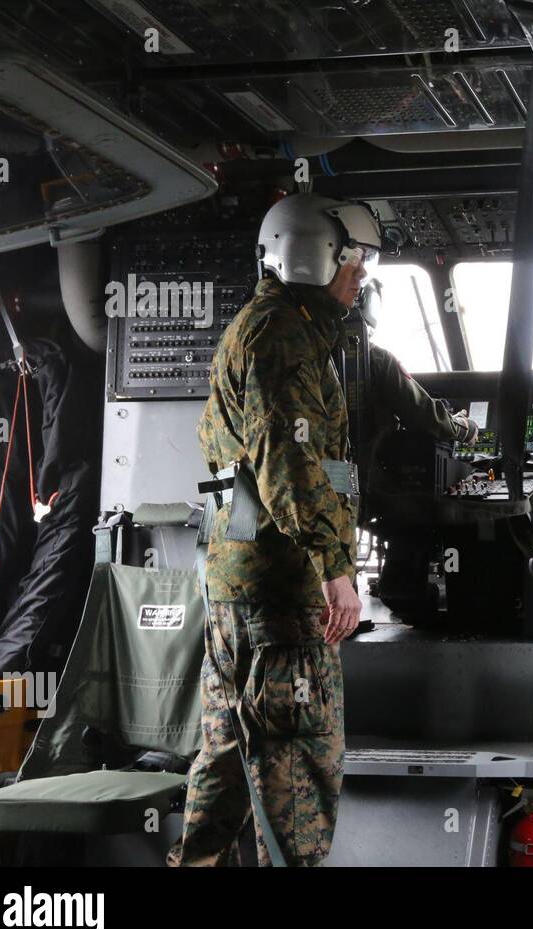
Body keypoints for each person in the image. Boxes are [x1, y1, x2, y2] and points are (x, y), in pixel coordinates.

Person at [168, 193, 476, 867]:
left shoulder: (278, 328)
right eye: (354, 261)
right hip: (284, 594)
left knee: (227, 755)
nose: (362, 275)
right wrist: (336, 570)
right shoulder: (283, 338)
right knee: (298, 763)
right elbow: (290, 462)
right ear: (314, 257)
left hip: (238, 590)